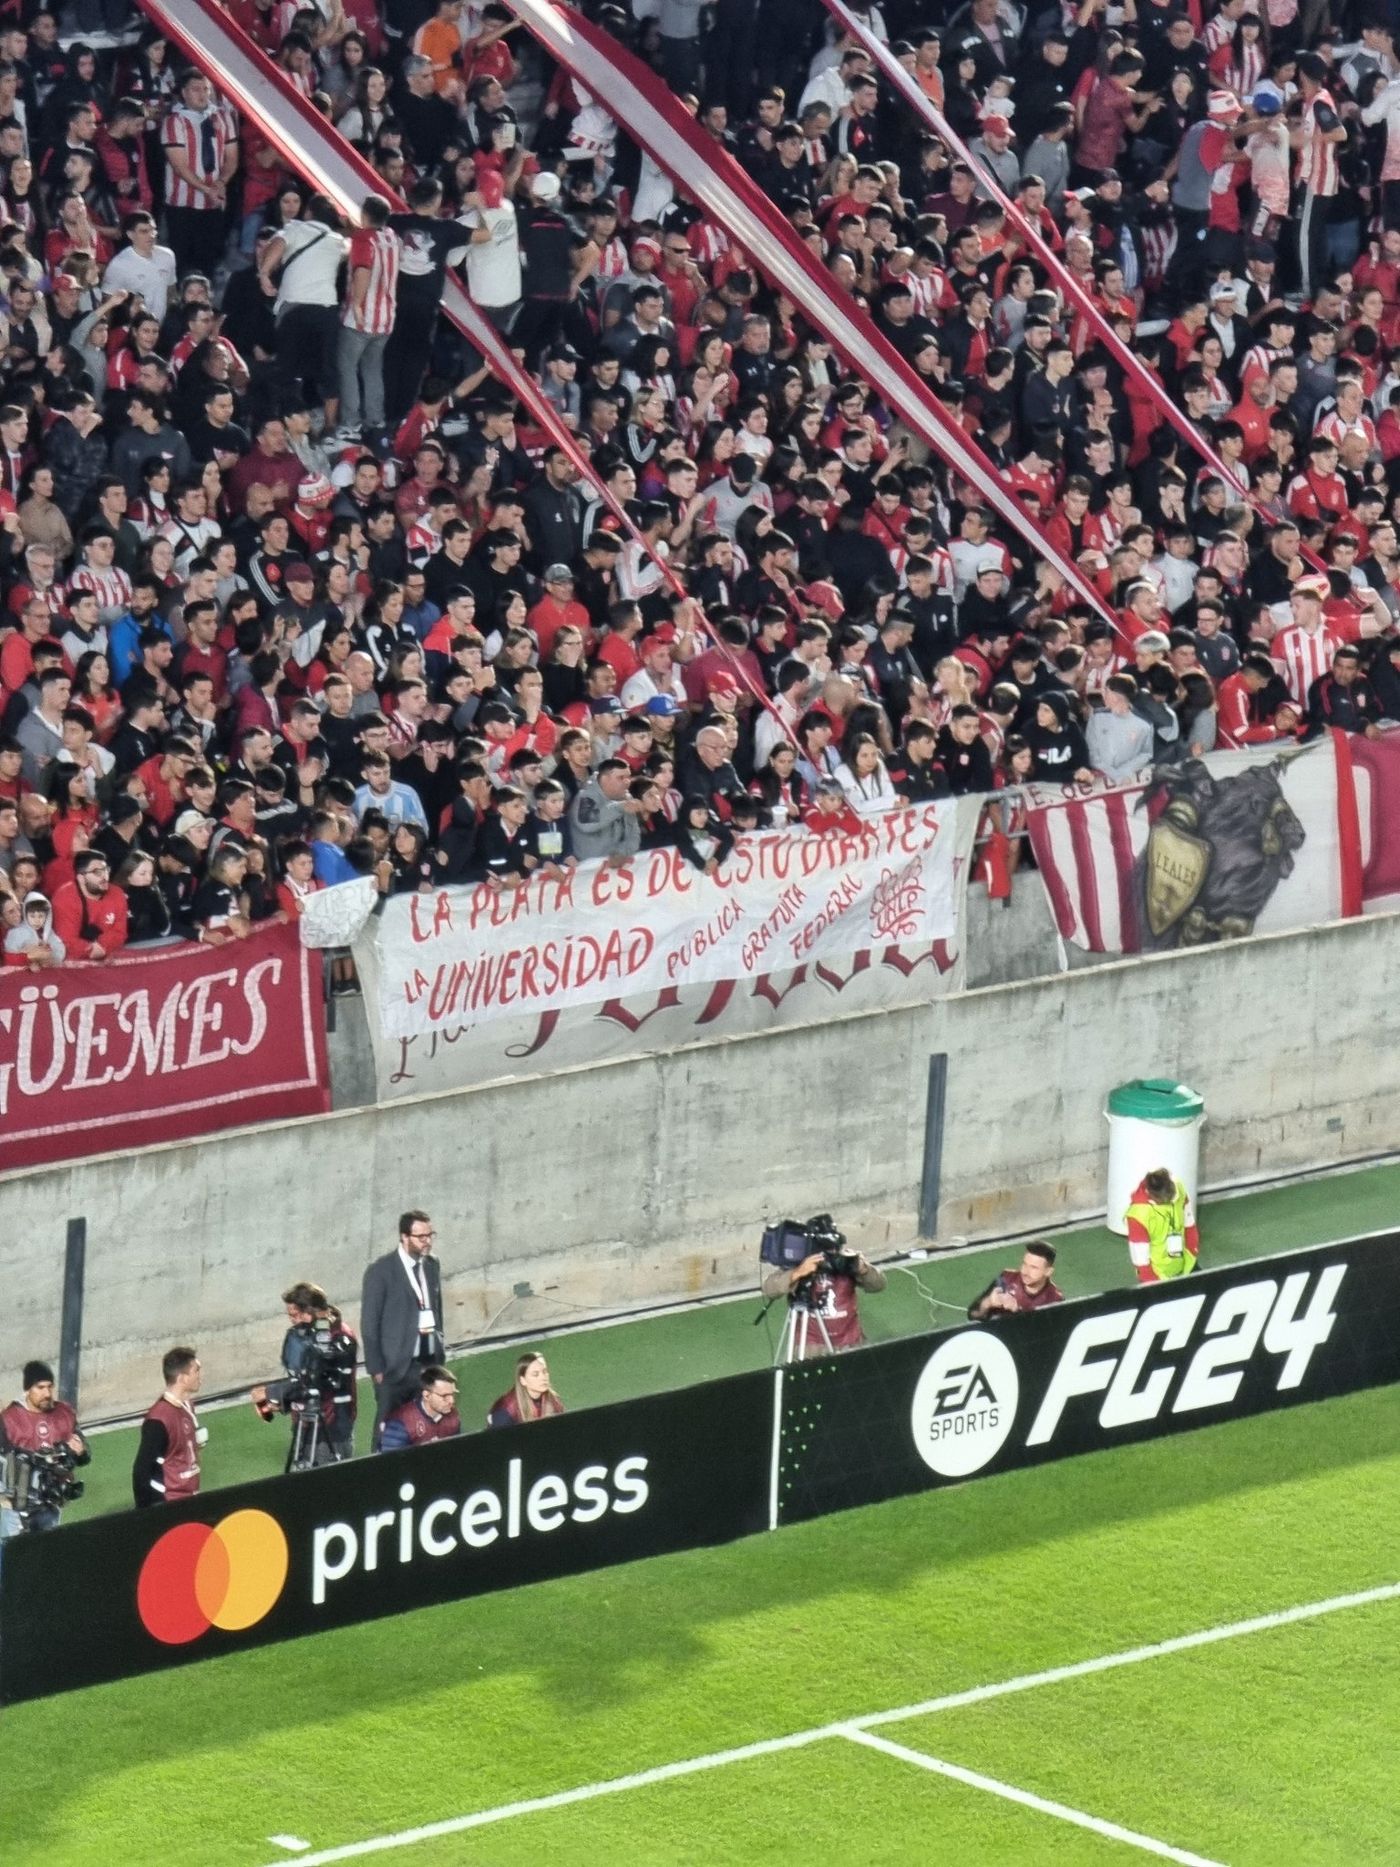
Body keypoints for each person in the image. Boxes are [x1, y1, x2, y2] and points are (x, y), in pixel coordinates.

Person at [360, 1210, 446, 1446]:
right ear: (404, 1237)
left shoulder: (432, 1264)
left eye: (430, 1235)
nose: (427, 1241)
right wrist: (376, 1368)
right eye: (421, 1237)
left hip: (428, 1362)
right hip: (395, 1366)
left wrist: (440, 1343)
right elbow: (369, 1323)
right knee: (387, 1427)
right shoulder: (381, 1271)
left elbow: (436, 1307)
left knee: (426, 1425)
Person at [250, 1281, 358, 1465]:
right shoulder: (304, 1334)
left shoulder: (341, 1339)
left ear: (309, 1312)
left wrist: (273, 1393)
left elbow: (321, 1382)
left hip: (330, 1430)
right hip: (304, 1424)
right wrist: (281, 1401)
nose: (291, 1320)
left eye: (294, 1315)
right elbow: (301, 1379)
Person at [0, 1360, 89, 1539]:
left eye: (50, 1387)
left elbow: (85, 1457)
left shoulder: (64, 1414)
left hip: (51, 1501)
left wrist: (80, 1451)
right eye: (40, 1388)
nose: (47, 1393)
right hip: (19, 1504)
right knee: (15, 1550)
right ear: (28, 1389)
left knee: (47, 1549)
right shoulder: (9, 1419)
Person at [760, 1236, 886, 1357]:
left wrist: (864, 1269)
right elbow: (769, 1289)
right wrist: (797, 1273)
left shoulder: (846, 1262)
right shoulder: (802, 1263)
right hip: (812, 1348)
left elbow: (878, 1285)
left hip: (851, 1343)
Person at [132, 1345, 204, 1507]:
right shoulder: (159, 1419)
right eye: (196, 1371)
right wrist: (143, 1513)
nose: (200, 1376)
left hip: (190, 1497)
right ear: (183, 1378)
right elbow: (141, 1469)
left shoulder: (187, 1406)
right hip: (168, 1502)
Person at [1125, 1167, 1200, 1284]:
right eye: (1164, 1200)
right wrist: (1156, 1285)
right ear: (1152, 1195)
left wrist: (1191, 1253)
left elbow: (1189, 1226)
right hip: (1158, 1277)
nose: (1169, 1201)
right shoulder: (1138, 1216)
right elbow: (1142, 1263)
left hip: (1187, 1264)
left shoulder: (1179, 1189)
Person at [967, 1243, 1065, 1319]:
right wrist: (988, 1303)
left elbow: (1042, 1334)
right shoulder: (1006, 1278)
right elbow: (972, 1315)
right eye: (1024, 1264)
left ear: (1048, 1271)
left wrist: (1016, 1311)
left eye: (1034, 1267)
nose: (1025, 1271)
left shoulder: (1054, 1299)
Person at [379, 1363, 462, 1450]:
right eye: (444, 1396)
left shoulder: (452, 1416)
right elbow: (391, 1457)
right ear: (426, 1396)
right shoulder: (401, 1423)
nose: (451, 1401)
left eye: (452, 1394)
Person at [487, 1352, 565, 1428]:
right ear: (523, 1380)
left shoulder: (553, 1400)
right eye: (535, 1374)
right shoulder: (506, 1410)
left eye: (545, 1371)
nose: (543, 1377)